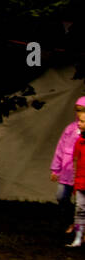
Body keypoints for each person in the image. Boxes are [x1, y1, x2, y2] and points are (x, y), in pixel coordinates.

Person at [49, 96, 85, 237]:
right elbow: (60, 149)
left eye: (82, 110)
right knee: (61, 197)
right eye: (77, 110)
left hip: (81, 173)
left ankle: (79, 227)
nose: (79, 113)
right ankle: (72, 221)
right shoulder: (70, 128)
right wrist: (55, 168)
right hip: (67, 172)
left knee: (81, 203)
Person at [65, 109, 85, 247]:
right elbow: (76, 162)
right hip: (81, 181)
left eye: (83, 121)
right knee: (80, 209)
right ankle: (78, 238)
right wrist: (75, 181)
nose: (79, 123)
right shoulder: (79, 142)